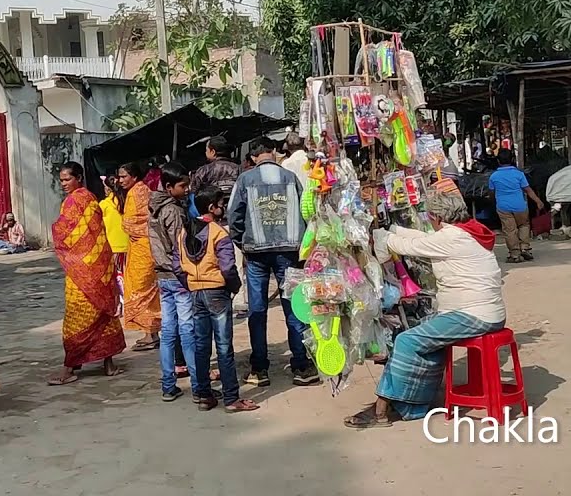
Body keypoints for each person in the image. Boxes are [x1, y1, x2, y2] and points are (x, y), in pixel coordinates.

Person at [345, 187, 506, 428]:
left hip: (474, 314)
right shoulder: (470, 232)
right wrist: (394, 229)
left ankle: (381, 409)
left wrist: (383, 237)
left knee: (407, 341)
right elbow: (424, 238)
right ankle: (412, 404)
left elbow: (413, 246)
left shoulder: (453, 238)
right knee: (425, 337)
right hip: (486, 312)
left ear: (438, 217)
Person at [228, 138, 319, 387]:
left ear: (254, 156)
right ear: (273, 153)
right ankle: (301, 365)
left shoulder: (245, 180)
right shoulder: (290, 178)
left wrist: (242, 243)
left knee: (257, 310)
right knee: (293, 307)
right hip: (290, 251)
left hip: (256, 253)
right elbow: (307, 210)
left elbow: (233, 215)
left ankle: (259, 368)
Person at [176, 189, 258, 413]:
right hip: (216, 291)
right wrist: (234, 287)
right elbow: (227, 267)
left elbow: (177, 265)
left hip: (196, 292)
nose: (223, 208)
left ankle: (204, 394)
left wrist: (190, 284)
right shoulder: (218, 233)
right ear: (212, 207)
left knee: (202, 346)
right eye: (221, 204)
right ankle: (231, 398)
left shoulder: (183, 232)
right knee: (223, 347)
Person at [49, 162, 126, 385]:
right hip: (98, 265)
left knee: (77, 316)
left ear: (79, 177)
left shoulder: (75, 200)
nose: (63, 184)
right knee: (103, 311)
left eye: (67, 179)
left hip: (81, 268)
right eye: (61, 180)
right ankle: (108, 365)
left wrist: (59, 232)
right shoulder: (91, 198)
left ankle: (68, 369)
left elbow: (66, 233)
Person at [149, 162, 198, 401]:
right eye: (183, 185)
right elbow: (181, 247)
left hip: (162, 275)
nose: (188, 189)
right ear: (169, 187)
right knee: (187, 329)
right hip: (177, 276)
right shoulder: (174, 211)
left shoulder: (153, 207)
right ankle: (199, 385)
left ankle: (168, 385)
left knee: (168, 331)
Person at [118, 162, 161, 351]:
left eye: (123, 176)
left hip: (143, 246)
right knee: (145, 288)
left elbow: (137, 220)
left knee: (142, 288)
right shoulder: (138, 190)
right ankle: (150, 332)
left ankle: (151, 333)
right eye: (119, 177)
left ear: (134, 177)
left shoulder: (137, 191)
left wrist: (128, 226)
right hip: (139, 246)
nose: (120, 180)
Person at [488, 148, 545, 263]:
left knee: (510, 230)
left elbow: (491, 193)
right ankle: (525, 248)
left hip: (503, 207)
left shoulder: (494, 177)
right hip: (520, 206)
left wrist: (494, 203)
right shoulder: (519, 174)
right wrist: (538, 201)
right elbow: (528, 190)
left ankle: (514, 254)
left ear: (498, 161)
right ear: (512, 159)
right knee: (524, 225)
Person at [99, 176, 130, 315]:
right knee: (125, 274)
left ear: (108, 188)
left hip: (112, 246)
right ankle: (128, 302)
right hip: (127, 244)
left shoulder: (104, 205)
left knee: (116, 277)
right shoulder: (125, 201)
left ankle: (120, 304)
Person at [189, 136, 243, 204]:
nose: (205, 153)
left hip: (210, 210)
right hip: (235, 209)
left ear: (213, 151)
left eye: (206, 150)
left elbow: (194, 194)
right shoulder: (239, 169)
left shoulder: (203, 171)